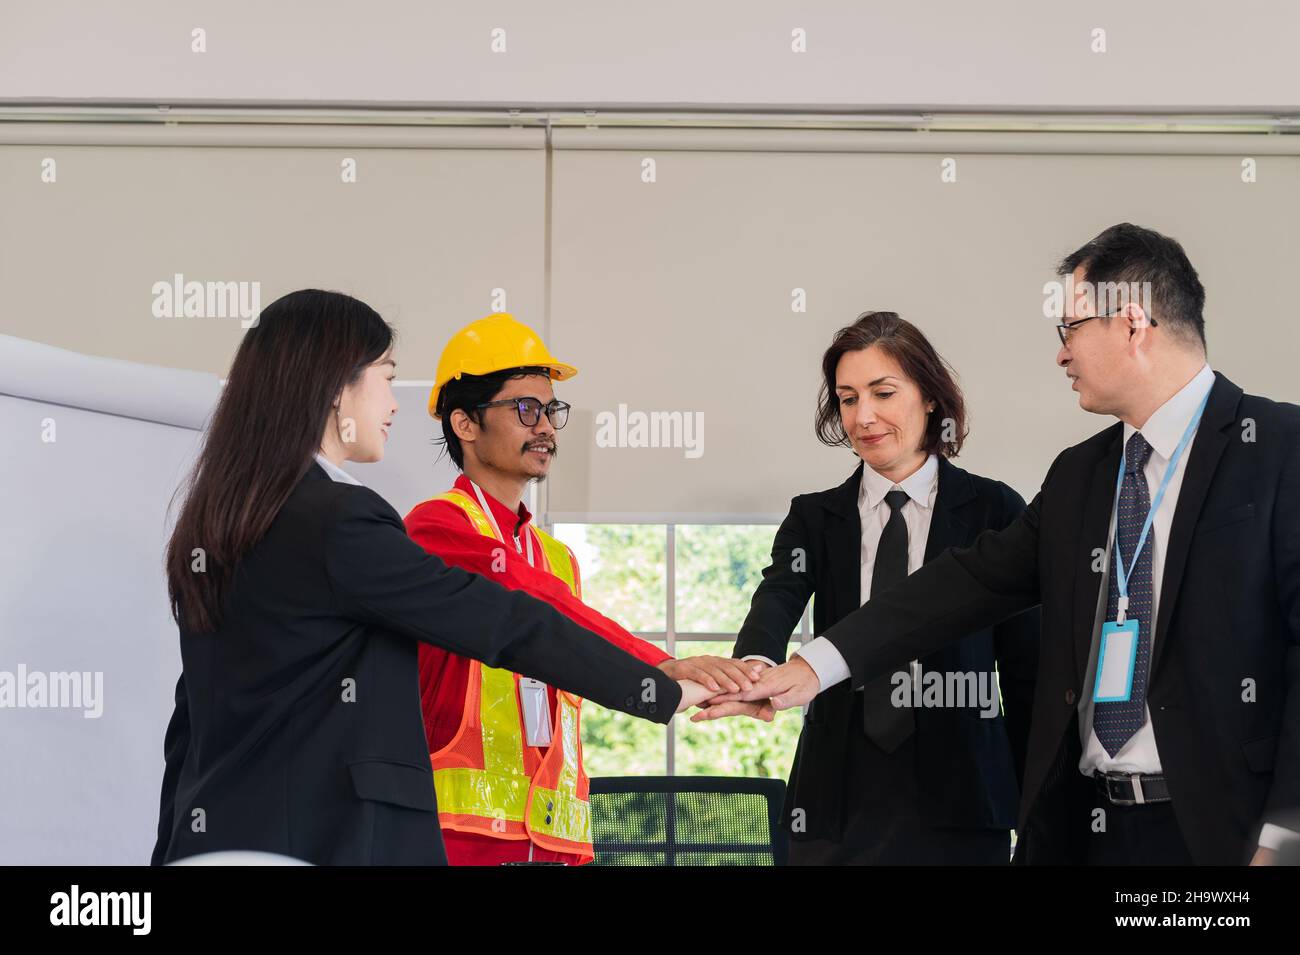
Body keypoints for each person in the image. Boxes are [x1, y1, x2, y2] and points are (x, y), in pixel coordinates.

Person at [711, 224, 1300, 865]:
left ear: (1132, 323)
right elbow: (964, 585)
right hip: (1088, 831)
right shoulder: (1081, 474)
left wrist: (1285, 837)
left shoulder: (1278, 448)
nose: (1061, 355)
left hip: (1225, 837)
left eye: (1069, 329)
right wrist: (810, 669)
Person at [151, 290, 713, 866]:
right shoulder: (340, 520)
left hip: (218, 846)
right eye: (386, 377)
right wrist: (662, 685)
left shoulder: (222, 522)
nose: (394, 404)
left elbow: (190, 722)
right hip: (316, 844)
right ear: (335, 385)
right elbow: (502, 620)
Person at [405, 313, 769, 865]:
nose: (547, 426)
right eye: (526, 409)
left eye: (552, 411)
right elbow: (532, 602)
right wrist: (661, 669)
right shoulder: (437, 526)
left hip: (558, 841)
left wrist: (706, 681)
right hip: (459, 840)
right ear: (465, 423)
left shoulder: (559, 560)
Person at [724, 311, 1038, 864]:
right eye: (847, 399)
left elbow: (1025, 670)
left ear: (931, 396)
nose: (863, 416)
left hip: (965, 793)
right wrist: (752, 665)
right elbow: (778, 597)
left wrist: (1036, 804)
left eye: (883, 393)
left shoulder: (995, 509)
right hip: (835, 796)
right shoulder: (815, 517)